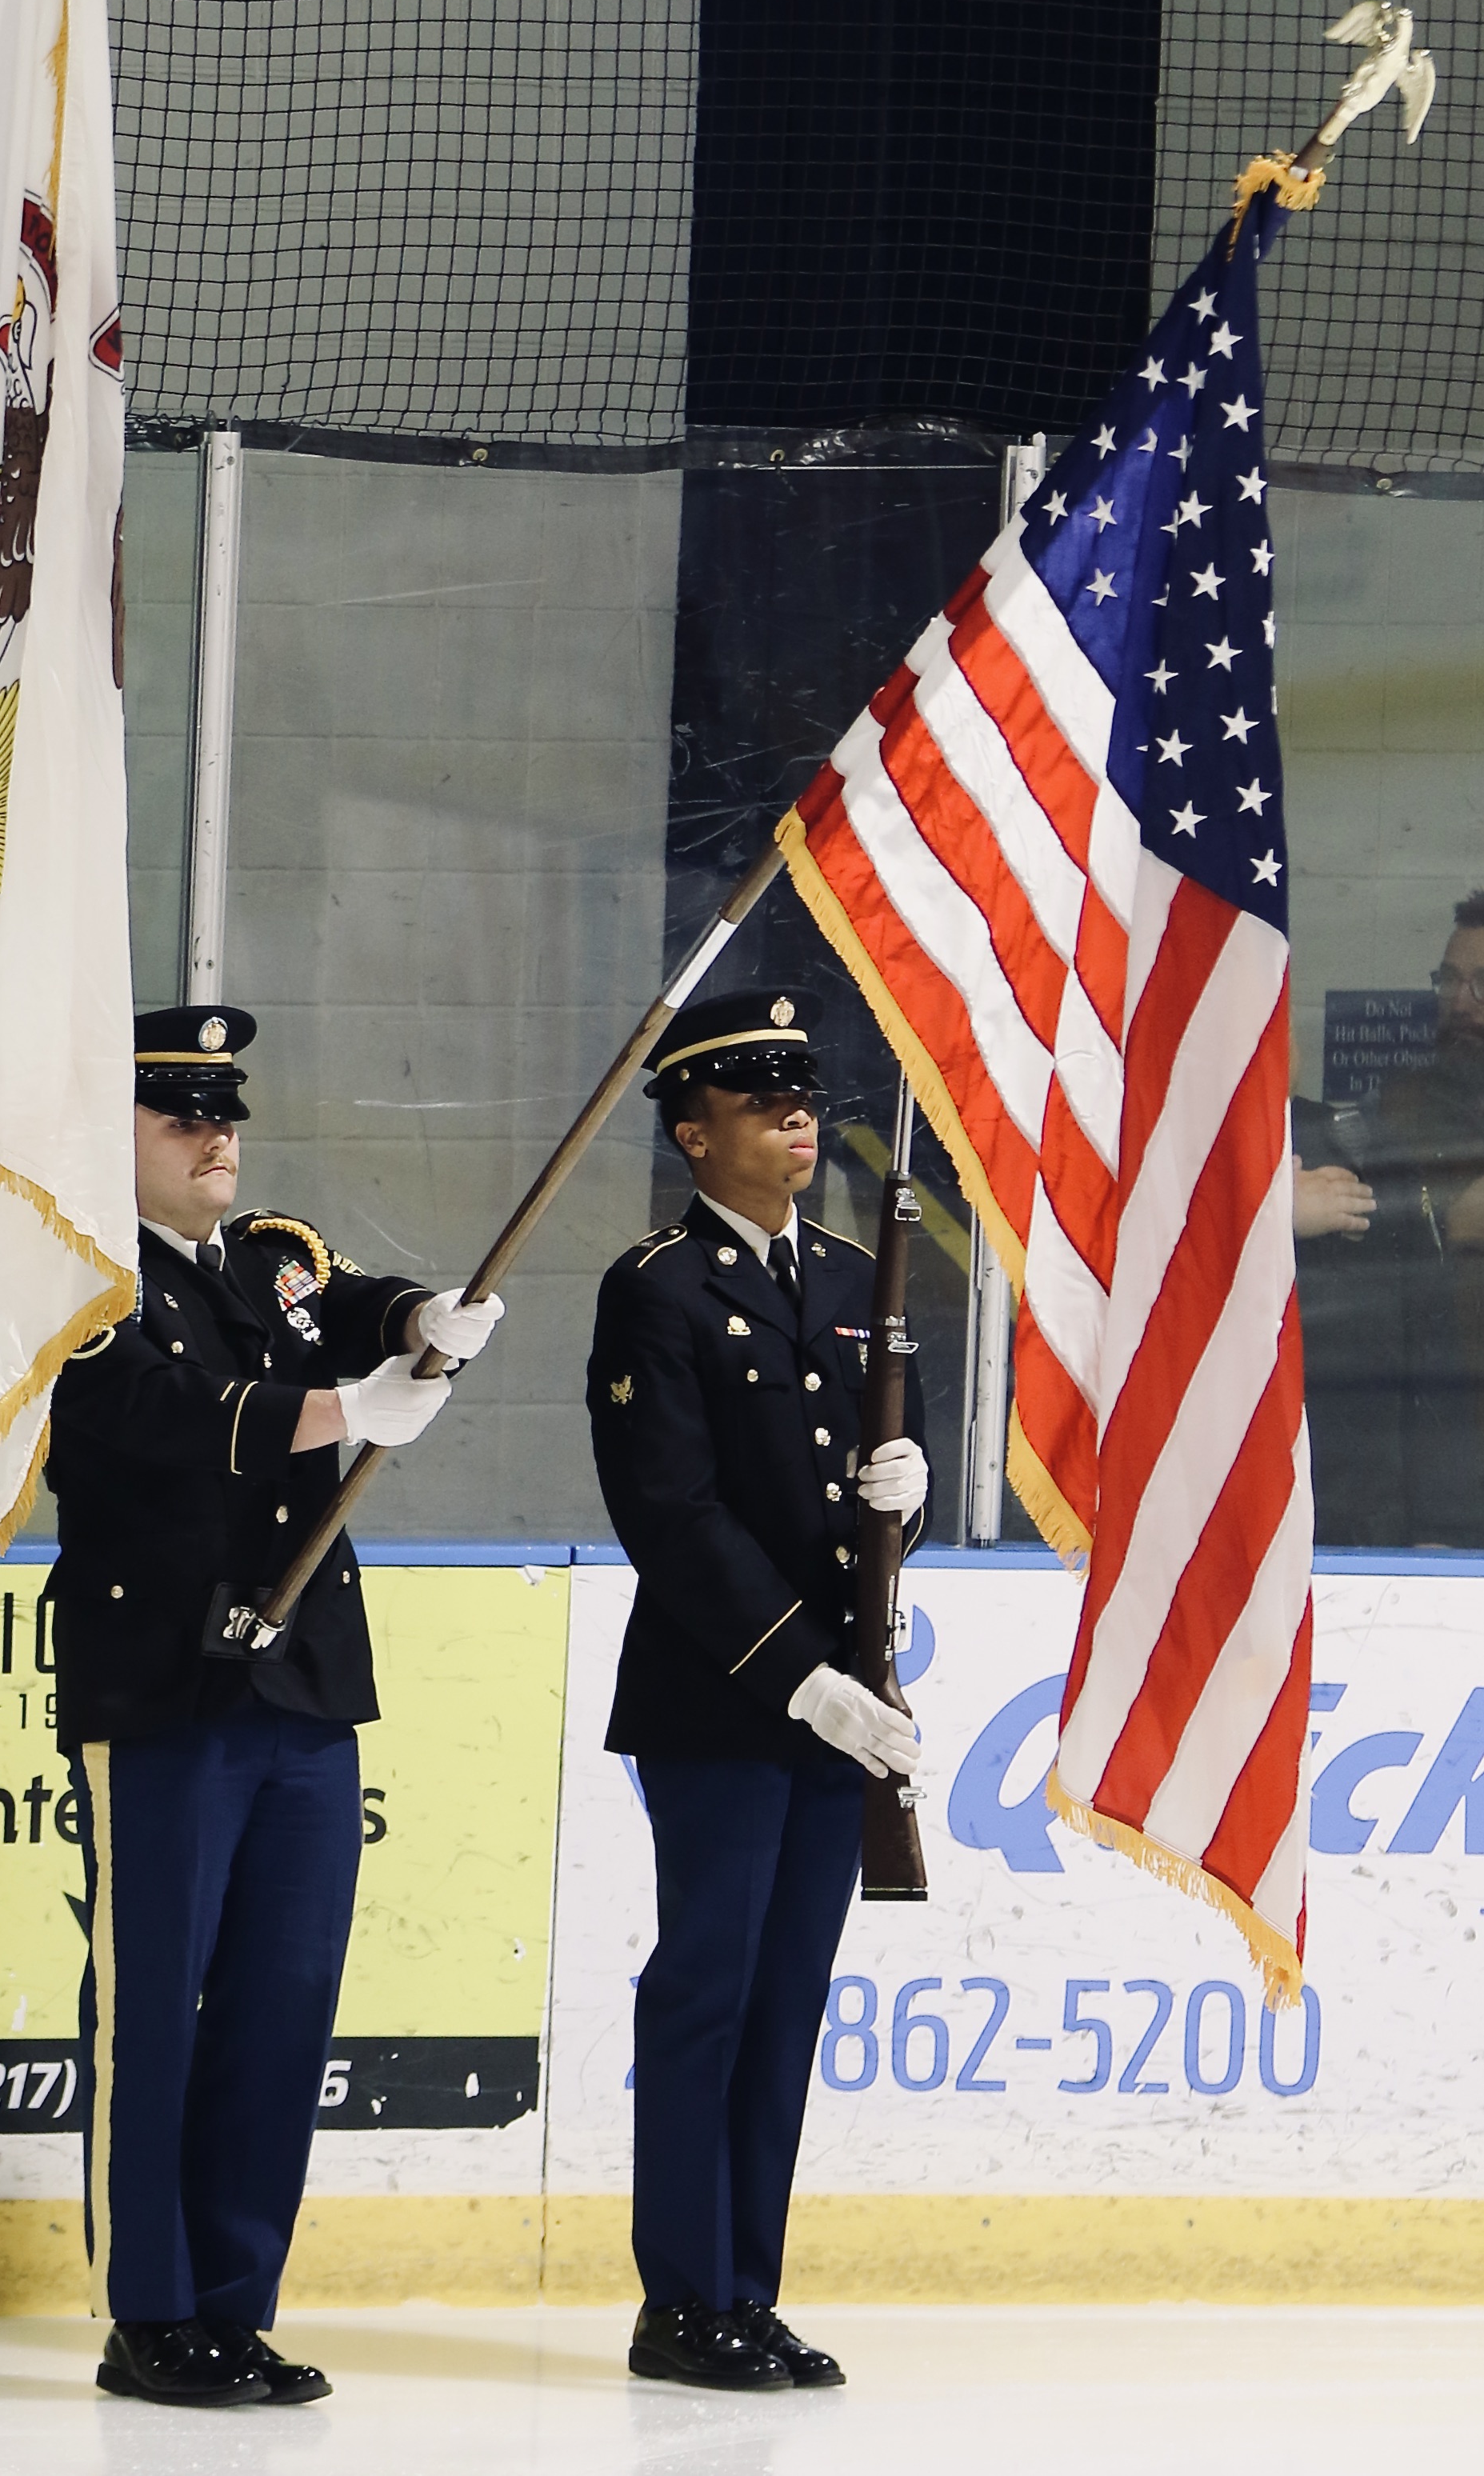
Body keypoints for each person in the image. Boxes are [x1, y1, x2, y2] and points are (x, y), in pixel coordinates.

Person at [45, 1004, 502, 2409]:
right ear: (106, 1131)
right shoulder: (73, 1276)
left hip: (299, 1685)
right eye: (180, 1111)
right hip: (169, 1683)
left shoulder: (267, 1254)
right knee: (157, 2013)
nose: (215, 1133)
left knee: (282, 2005)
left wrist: (422, 1317)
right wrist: (340, 1409)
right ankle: (153, 2313)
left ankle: (237, 2301)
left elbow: (347, 1300)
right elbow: (157, 1414)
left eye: (224, 1108)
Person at [584, 987, 927, 2394]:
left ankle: (749, 2288)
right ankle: (682, 2297)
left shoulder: (857, 1278)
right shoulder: (656, 1286)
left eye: (801, 1083)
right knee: (709, 1987)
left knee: (788, 1997)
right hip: (725, 1701)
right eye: (756, 1087)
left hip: (841, 1695)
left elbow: (875, 1470)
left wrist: (913, 1497)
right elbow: (669, 1512)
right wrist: (802, 1677)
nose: (797, 1105)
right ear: (691, 1127)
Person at [1293, 891, 1484, 1544]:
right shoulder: (1391, 1115)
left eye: (1481, 984)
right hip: (1433, 1447)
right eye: (1449, 980)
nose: (1459, 1002)